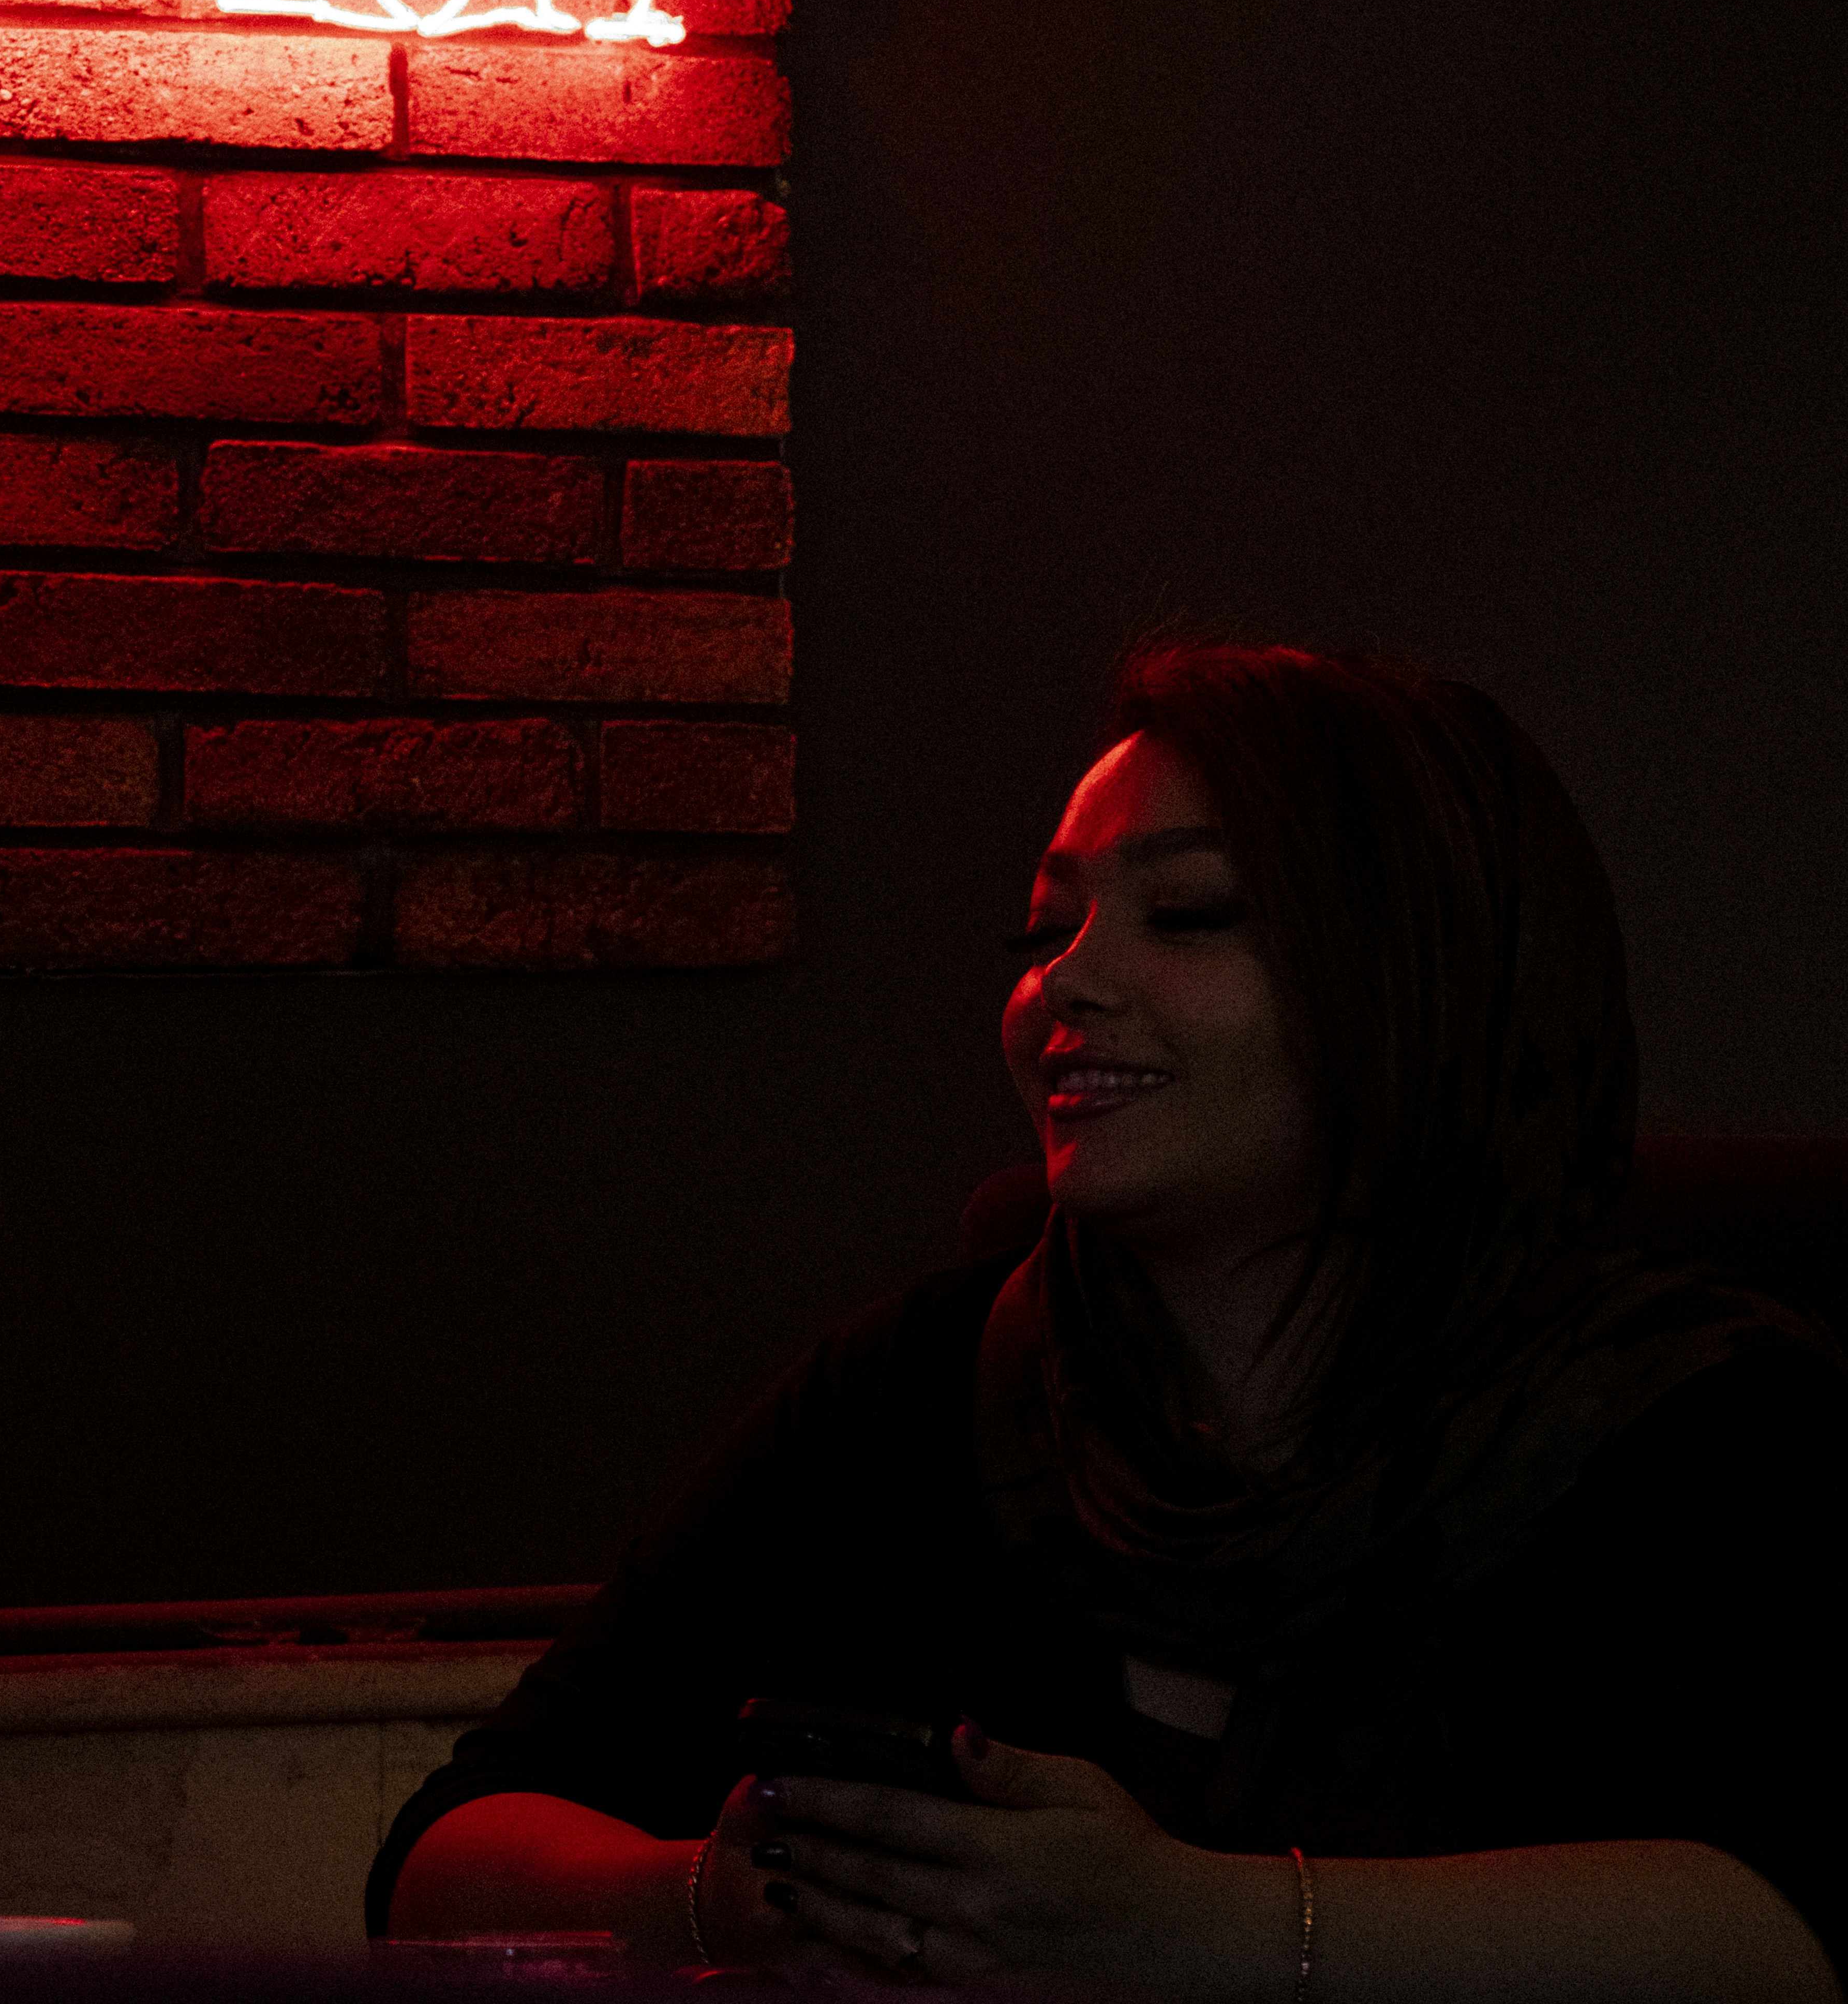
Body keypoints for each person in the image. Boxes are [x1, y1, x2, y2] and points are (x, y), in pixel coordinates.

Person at [367, 642, 1846, 2000]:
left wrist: (1184, 1923)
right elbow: (444, 1860)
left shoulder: (1705, 1433)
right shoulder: (927, 1391)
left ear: (1427, 979)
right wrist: (722, 1895)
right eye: (1049, 923)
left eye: (1187, 916)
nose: (1064, 983)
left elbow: (1801, 1933)